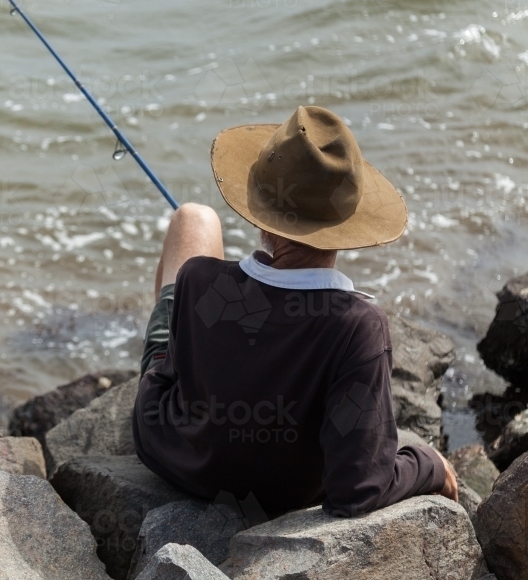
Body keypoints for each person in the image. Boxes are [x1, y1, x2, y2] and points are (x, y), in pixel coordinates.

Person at [132, 105, 458, 519]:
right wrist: (429, 464)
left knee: (191, 219)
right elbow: (358, 487)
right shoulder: (357, 328)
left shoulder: (199, 278)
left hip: (169, 456)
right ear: (347, 225)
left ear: (261, 210)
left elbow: (170, 373)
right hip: (279, 498)